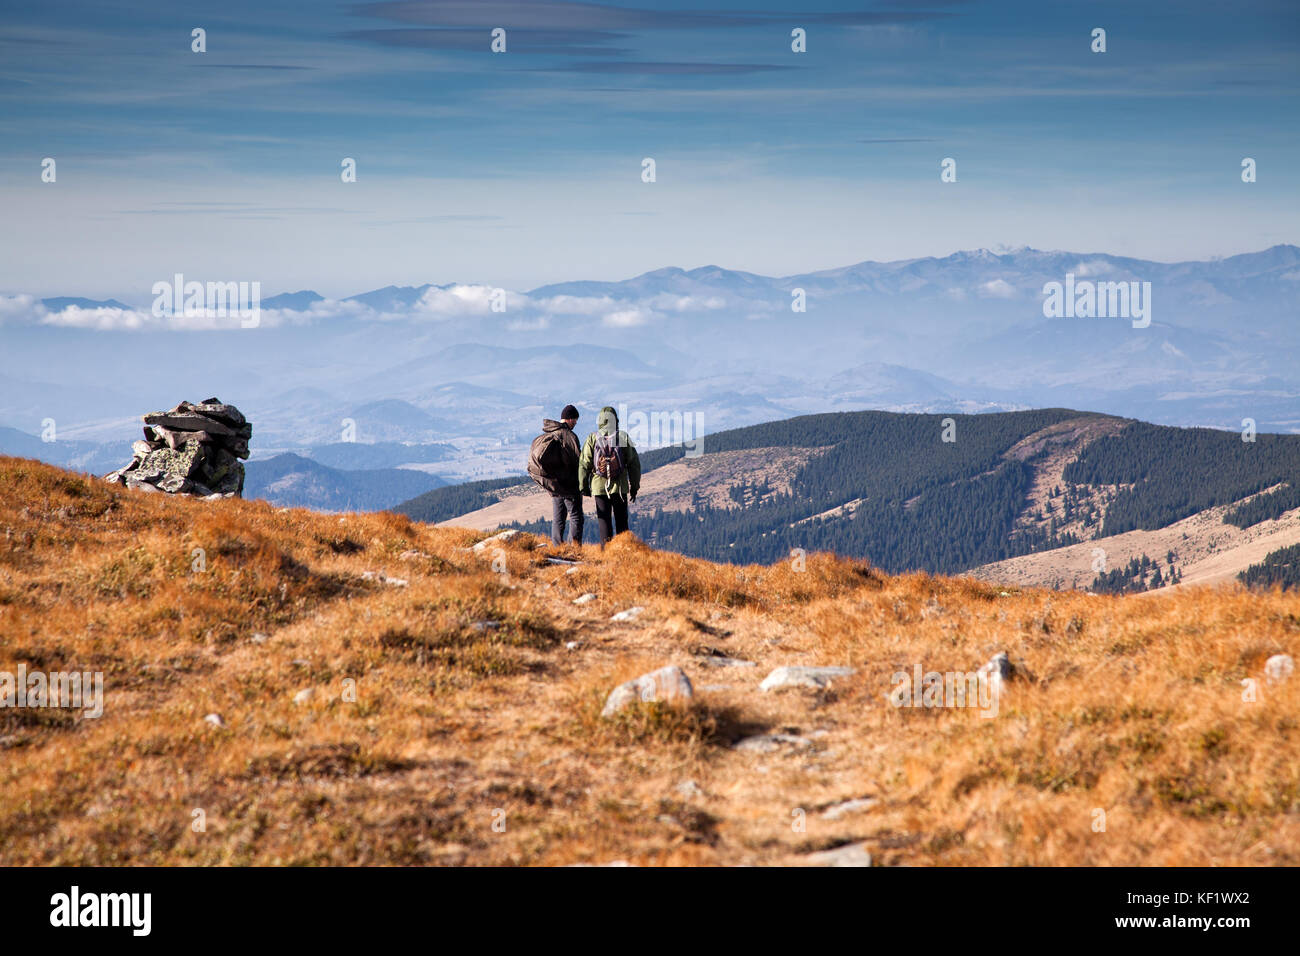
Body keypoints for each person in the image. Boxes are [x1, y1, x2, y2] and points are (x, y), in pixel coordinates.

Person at [578, 405, 641, 546]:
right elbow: (634, 464)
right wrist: (634, 487)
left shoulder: (592, 438)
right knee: (622, 523)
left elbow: (584, 464)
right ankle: (623, 552)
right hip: (619, 488)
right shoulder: (623, 437)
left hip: (599, 488)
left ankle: (606, 555)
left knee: (604, 523)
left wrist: (584, 486)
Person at [527, 404, 583, 545]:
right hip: (569, 484)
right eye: (575, 420)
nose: (575, 423)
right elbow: (579, 461)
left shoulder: (548, 434)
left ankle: (557, 547)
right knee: (576, 516)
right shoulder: (569, 436)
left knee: (558, 519)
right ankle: (574, 548)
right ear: (569, 419)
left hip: (554, 485)